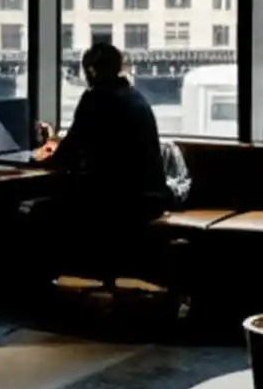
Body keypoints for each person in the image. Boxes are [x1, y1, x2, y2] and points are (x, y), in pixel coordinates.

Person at [29, 43, 168, 285]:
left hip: (118, 202)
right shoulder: (135, 96)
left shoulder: (96, 98)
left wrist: (40, 155)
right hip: (149, 199)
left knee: (40, 211)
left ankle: (41, 292)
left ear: (92, 71)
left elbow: (68, 154)